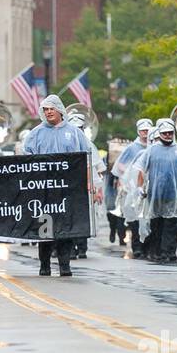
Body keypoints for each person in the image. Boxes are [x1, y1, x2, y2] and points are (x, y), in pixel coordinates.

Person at [23, 95, 92, 277]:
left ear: (59, 110)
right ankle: (44, 265)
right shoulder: (36, 133)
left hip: (68, 189)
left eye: (51, 108)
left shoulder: (74, 133)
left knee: (65, 227)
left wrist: (87, 182)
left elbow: (86, 157)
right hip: (43, 189)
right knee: (45, 228)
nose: (48, 112)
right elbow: (25, 158)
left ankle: (64, 264)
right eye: (45, 109)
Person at [135, 118, 177, 264]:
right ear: (160, 134)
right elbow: (141, 170)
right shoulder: (151, 150)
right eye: (165, 133)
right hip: (155, 195)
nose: (168, 135)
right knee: (156, 225)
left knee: (172, 225)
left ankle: (169, 252)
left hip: (175, 195)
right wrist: (140, 186)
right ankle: (156, 252)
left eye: (170, 133)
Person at [67, 111, 105, 259]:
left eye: (80, 128)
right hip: (69, 187)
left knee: (83, 217)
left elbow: (98, 168)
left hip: (85, 187)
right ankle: (69, 248)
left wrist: (97, 189)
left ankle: (82, 247)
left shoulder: (89, 145)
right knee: (69, 218)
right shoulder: (65, 142)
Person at [113, 119, 154, 258]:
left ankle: (147, 246)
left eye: (148, 131)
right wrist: (130, 174)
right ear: (138, 132)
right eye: (143, 131)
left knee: (148, 217)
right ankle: (137, 247)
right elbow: (120, 165)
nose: (146, 133)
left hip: (149, 187)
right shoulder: (132, 148)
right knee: (136, 217)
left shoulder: (154, 146)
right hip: (133, 188)